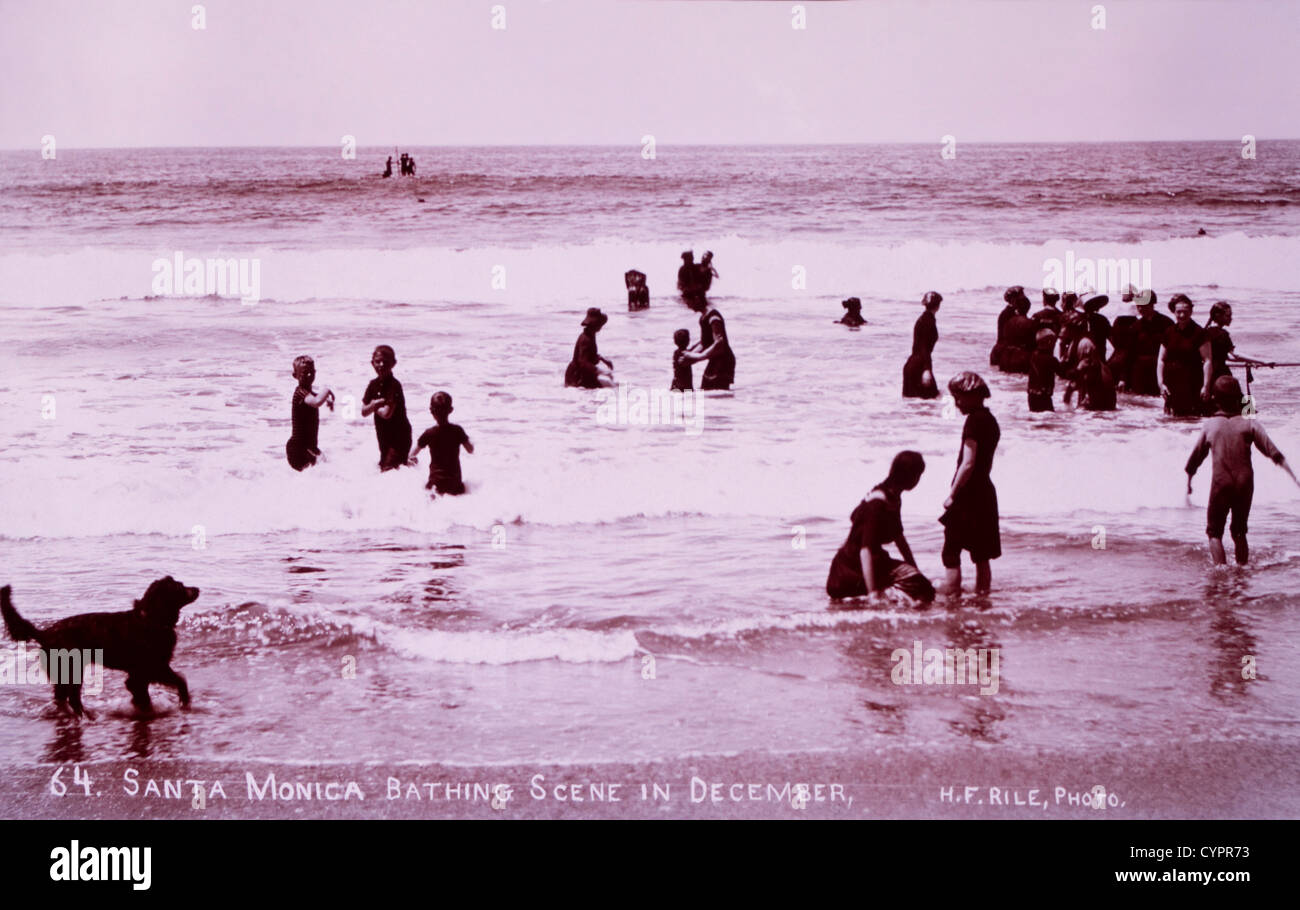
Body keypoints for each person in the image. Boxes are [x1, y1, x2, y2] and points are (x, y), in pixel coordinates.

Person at [1186, 375, 1298, 565]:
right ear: (1239, 399)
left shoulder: (1210, 426)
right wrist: (1295, 478)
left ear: (1215, 399)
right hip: (1245, 484)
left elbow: (1194, 461)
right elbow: (1274, 453)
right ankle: (1242, 572)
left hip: (1221, 483)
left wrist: (1188, 484)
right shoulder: (1250, 423)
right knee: (1239, 531)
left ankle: (1222, 572)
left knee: (1214, 533)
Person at [826, 451, 936, 604]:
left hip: (866, 563)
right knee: (922, 592)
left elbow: (899, 538)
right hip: (849, 571)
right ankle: (877, 596)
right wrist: (873, 595)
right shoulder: (878, 501)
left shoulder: (893, 496)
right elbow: (865, 550)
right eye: (918, 475)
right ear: (908, 475)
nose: (918, 480)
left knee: (924, 589)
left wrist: (916, 570)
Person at [939, 372, 1000, 595]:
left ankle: (952, 597)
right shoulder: (991, 420)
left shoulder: (974, 422)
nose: (956, 403)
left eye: (959, 398)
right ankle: (982, 599)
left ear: (973, 395)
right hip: (984, 492)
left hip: (968, 494)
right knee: (981, 555)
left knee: (951, 550)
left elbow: (967, 464)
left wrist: (952, 496)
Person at [411, 391, 474, 496]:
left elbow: (412, 454)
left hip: (436, 484)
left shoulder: (429, 433)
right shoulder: (458, 431)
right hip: (455, 485)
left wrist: (411, 460)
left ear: (431, 411)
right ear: (451, 410)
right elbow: (470, 450)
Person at [1159, 293, 1212, 417]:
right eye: (1178, 312)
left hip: (1192, 384)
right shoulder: (1168, 332)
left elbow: (1207, 361)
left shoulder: (1200, 333)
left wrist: (1206, 386)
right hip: (1172, 384)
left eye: (1185, 311)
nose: (1182, 315)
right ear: (1174, 312)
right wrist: (1161, 383)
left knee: (1192, 419)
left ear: (1191, 311)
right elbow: (1161, 360)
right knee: (1171, 420)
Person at [361, 345, 413, 471]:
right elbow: (363, 411)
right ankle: (410, 463)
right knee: (386, 464)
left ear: (393, 363)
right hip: (383, 434)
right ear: (372, 363)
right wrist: (374, 405)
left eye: (386, 361)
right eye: (378, 361)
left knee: (389, 470)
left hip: (400, 436)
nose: (381, 365)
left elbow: (386, 414)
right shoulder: (372, 385)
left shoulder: (394, 385)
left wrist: (373, 405)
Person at [285, 355, 333, 471]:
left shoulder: (309, 393)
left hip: (309, 447)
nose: (309, 375)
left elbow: (316, 399)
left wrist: (327, 398)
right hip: (298, 448)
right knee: (322, 471)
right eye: (304, 373)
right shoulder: (300, 393)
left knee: (324, 470)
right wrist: (326, 390)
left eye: (312, 372)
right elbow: (316, 402)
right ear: (295, 376)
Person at [679, 298, 735, 390]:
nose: (688, 306)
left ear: (697, 298)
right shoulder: (703, 317)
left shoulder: (713, 318)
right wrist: (688, 356)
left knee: (715, 393)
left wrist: (696, 357)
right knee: (707, 391)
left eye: (688, 301)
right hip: (715, 359)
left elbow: (719, 346)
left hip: (724, 361)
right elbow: (704, 343)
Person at [1129, 290, 1173, 395]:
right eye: (1138, 305)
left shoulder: (1167, 323)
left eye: (1143, 305)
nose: (1140, 308)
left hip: (1159, 370)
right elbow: (1130, 354)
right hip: (1140, 372)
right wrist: (1124, 378)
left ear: (1152, 304)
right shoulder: (1135, 326)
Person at [902, 291, 942, 399]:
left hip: (913, 364)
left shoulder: (924, 319)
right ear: (938, 306)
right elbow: (924, 348)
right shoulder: (928, 321)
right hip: (920, 365)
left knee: (914, 406)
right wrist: (927, 369)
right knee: (930, 401)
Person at [564, 308, 614, 389]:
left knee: (610, 387)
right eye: (600, 324)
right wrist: (601, 372)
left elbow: (590, 355)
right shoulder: (586, 339)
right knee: (609, 388)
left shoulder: (590, 335)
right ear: (594, 324)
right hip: (577, 376)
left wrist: (603, 359)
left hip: (583, 373)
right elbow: (583, 362)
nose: (601, 326)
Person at [1068, 337, 1117, 411]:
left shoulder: (1084, 365)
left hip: (1095, 405)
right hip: (1109, 406)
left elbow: (1073, 385)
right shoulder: (1104, 367)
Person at [1026, 328, 1064, 412]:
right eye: (1054, 342)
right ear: (1049, 342)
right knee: (1048, 421)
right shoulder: (1051, 360)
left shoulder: (1033, 356)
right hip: (1043, 397)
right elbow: (1063, 374)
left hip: (1031, 396)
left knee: (1036, 420)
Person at [998, 293, 1036, 374]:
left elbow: (1004, 338)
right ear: (1028, 308)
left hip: (1006, 357)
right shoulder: (1031, 323)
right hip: (1022, 358)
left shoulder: (1008, 322)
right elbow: (1033, 345)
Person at [989, 286, 1023, 368]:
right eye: (1021, 297)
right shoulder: (1011, 314)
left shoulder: (1006, 313)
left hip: (999, 349)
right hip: (1005, 351)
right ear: (1014, 299)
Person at [1082, 294, 1111, 360]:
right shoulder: (1102, 319)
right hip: (1098, 359)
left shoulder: (1078, 318)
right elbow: (1112, 339)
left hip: (1086, 359)